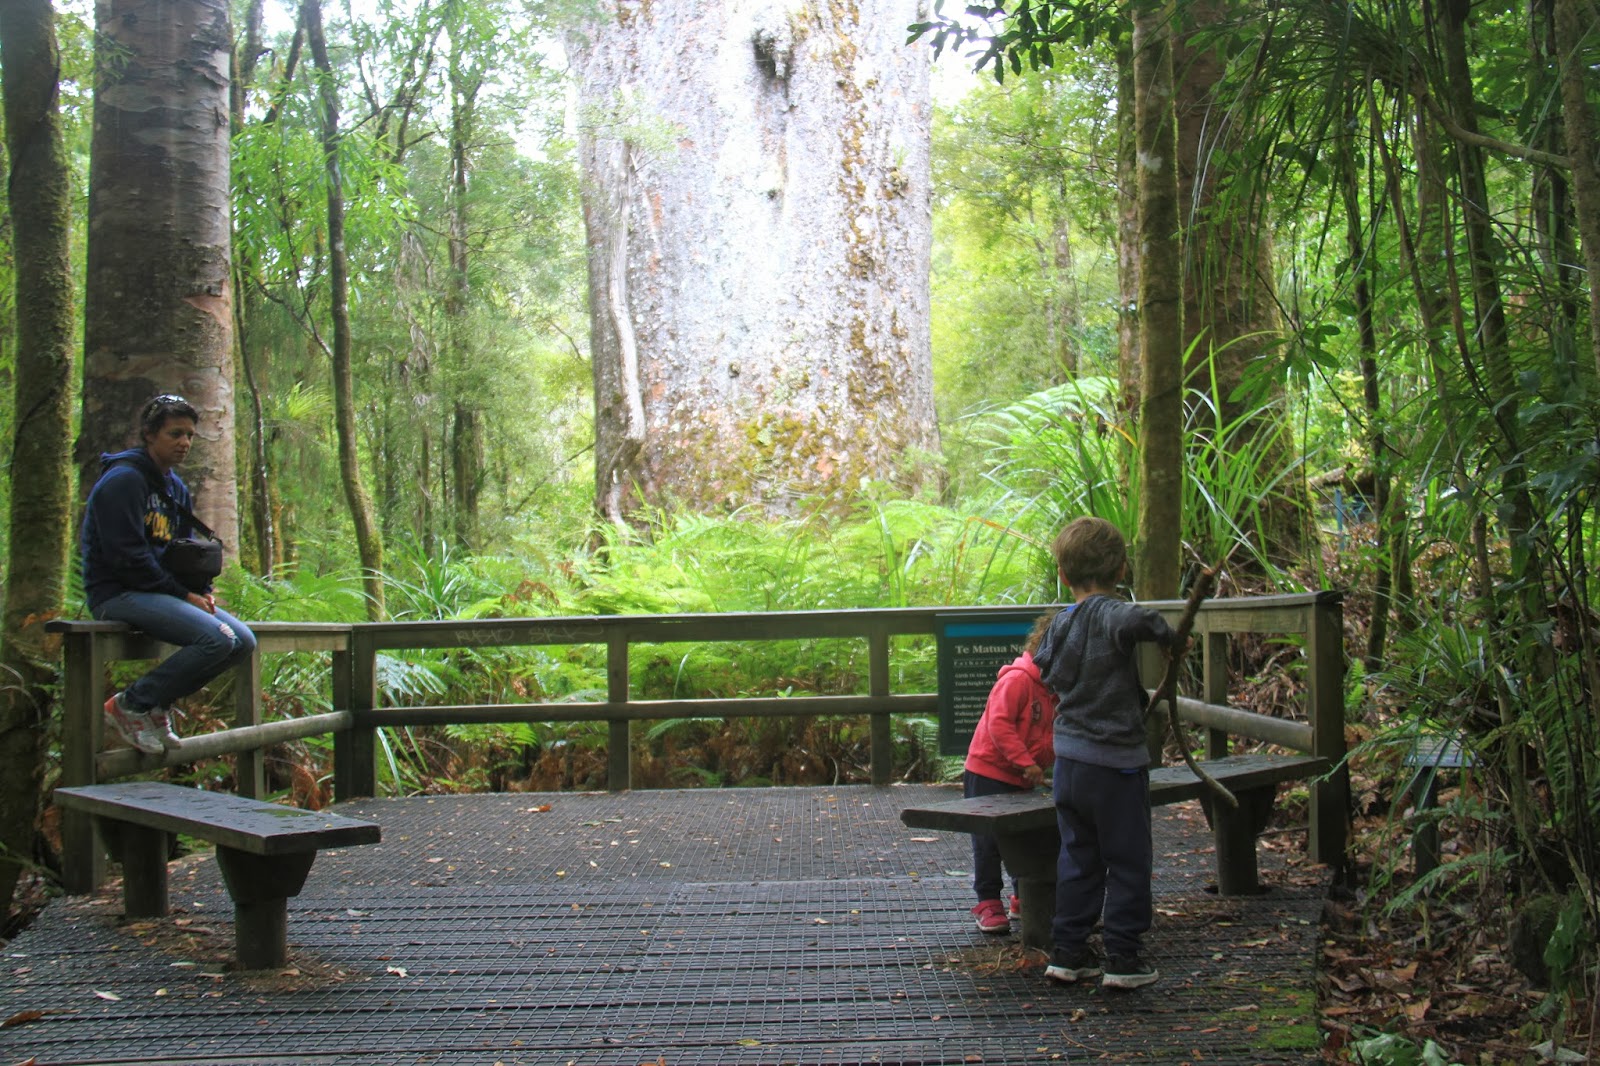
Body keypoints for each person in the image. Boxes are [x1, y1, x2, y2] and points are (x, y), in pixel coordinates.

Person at [1032, 516, 1177, 990]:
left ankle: (1068, 952)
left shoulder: (1060, 624)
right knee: (1128, 859)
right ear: (1120, 569)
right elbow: (1138, 619)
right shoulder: (1110, 611)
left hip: (1070, 763)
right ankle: (1122, 957)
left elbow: (1042, 665)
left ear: (1063, 573)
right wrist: (1169, 635)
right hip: (1115, 765)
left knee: (1078, 858)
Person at [81, 393, 257, 755]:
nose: (184, 443)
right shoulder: (124, 481)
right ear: (149, 434)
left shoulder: (174, 487)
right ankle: (131, 703)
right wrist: (181, 595)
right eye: (175, 434)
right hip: (116, 593)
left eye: (190, 435)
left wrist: (199, 589)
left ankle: (157, 704)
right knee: (217, 640)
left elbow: (181, 553)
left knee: (243, 641)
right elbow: (126, 557)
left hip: (158, 592)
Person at [962, 610, 1059, 935]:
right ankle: (988, 900)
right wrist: (1026, 762)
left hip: (1023, 775)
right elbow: (999, 725)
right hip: (989, 771)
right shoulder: (1017, 680)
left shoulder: (1052, 689)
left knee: (1024, 835)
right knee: (988, 839)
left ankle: (1023, 894)